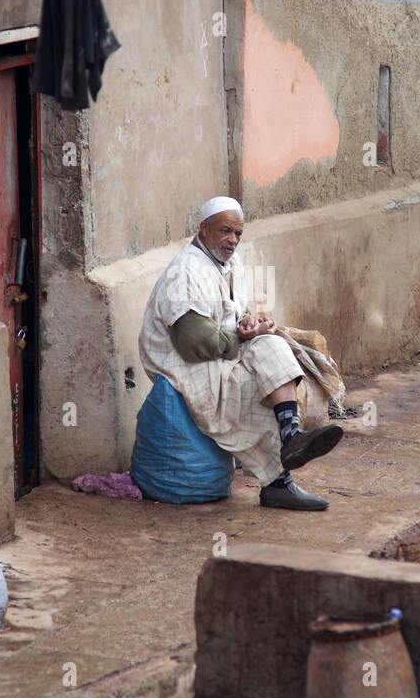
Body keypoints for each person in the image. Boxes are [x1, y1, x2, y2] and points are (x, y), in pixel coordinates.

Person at [138, 196, 343, 510]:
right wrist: (240, 334)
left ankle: (291, 437)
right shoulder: (185, 273)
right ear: (204, 229)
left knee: (274, 345)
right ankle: (278, 485)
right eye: (225, 231)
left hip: (216, 357)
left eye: (237, 234)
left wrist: (250, 323)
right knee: (259, 392)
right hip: (187, 367)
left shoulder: (221, 264)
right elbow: (195, 344)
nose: (232, 240)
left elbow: (230, 314)